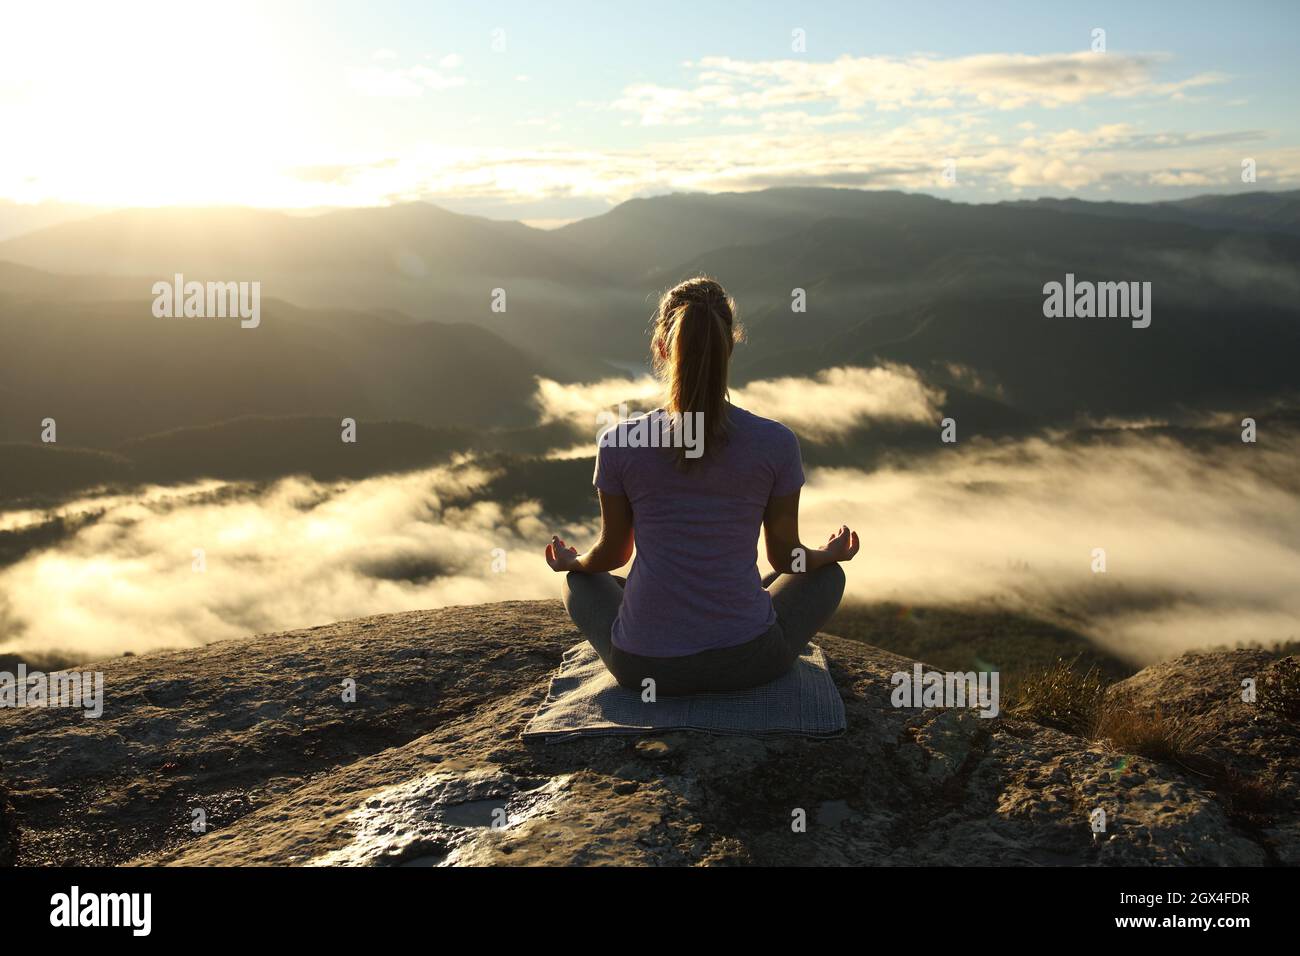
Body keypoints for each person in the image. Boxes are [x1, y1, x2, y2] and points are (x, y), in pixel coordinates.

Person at [545, 276, 858, 695]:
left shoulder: (620, 442)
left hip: (643, 669)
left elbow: (614, 555)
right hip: (750, 663)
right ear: (730, 344)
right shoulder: (774, 442)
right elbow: (786, 559)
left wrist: (575, 562)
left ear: (661, 348)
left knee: (579, 582)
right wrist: (827, 554)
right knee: (827, 577)